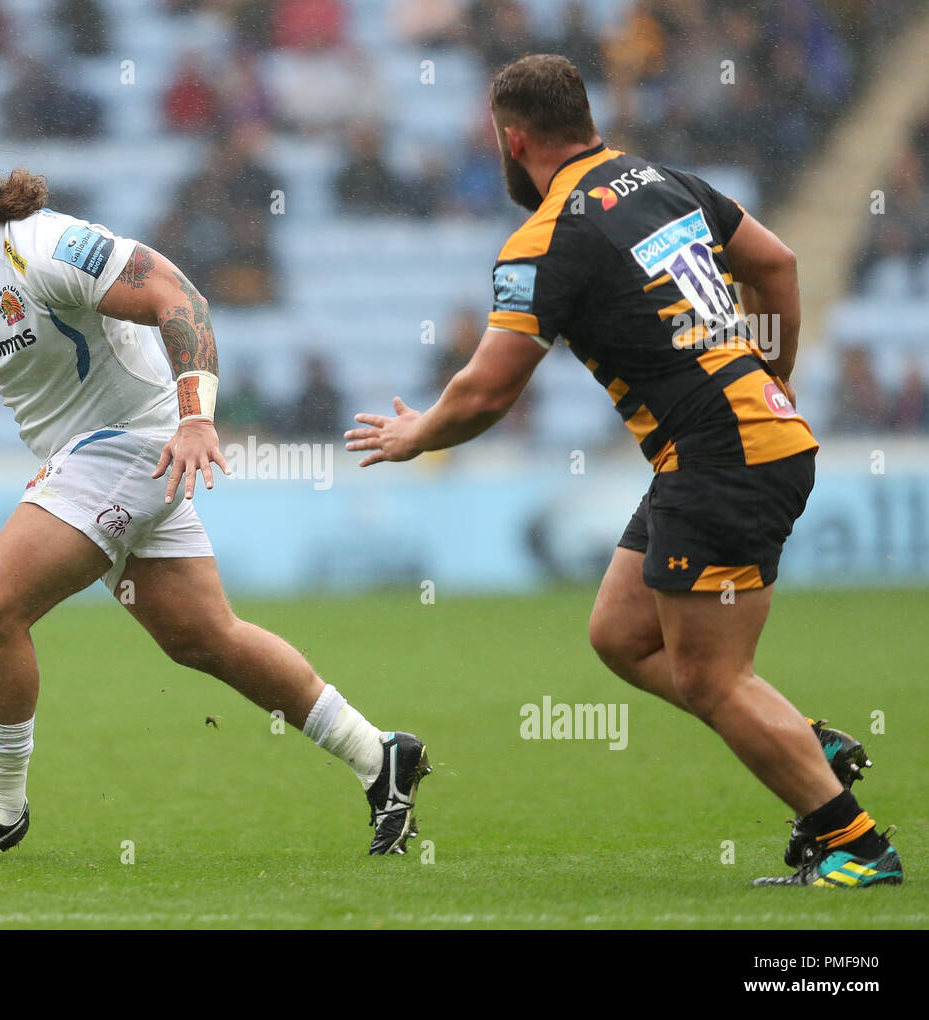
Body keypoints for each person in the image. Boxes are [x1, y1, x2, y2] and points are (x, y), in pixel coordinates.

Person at [345, 55, 902, 888]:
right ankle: (808, 745)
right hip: (739, 442)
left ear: (513, 137)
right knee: (622, 634)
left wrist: (419, 434)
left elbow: (489, 388)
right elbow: (778, 263)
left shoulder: (547, 237)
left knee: (714, 679)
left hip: (719, 457)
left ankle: (855, 845)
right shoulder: (663, 180)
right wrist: (773, 379)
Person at [0, 121, 429, 858]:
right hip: (101, 462)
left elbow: (181, 298)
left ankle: (0, 807)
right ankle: (379, 755)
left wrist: (197, 417)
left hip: (137, 442)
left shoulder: (46, 247)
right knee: (205, 639)